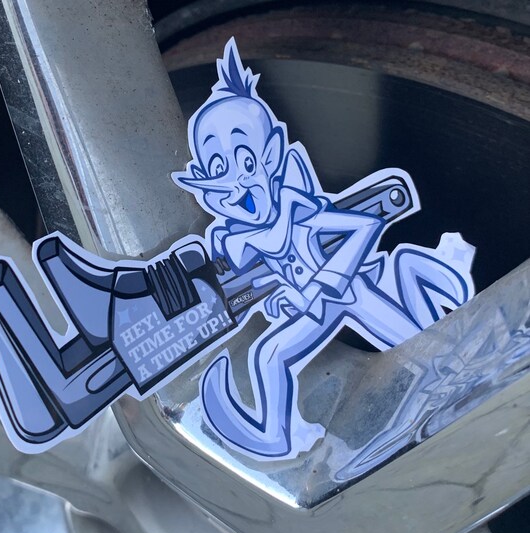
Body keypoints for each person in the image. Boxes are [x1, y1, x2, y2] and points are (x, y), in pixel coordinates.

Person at [172, 38, 475, 459]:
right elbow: (259, 288)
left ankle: (434, 281)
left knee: (423, 347)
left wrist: (331, 278)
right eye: (220, 168)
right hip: (313, 310)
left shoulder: (299, 209)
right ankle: (278, 435)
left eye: (247, 162)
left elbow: (365, 224)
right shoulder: (234, 240)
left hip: (350, 292)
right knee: (269, 355)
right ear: (205, 181)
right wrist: (278, 300)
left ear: (272, 156)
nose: (238, 182)